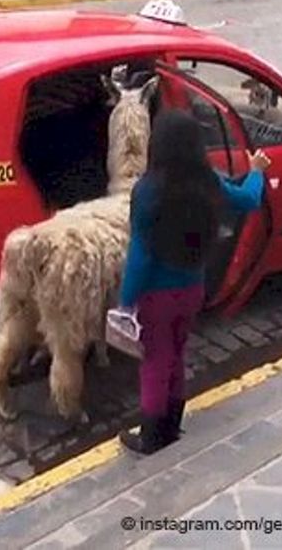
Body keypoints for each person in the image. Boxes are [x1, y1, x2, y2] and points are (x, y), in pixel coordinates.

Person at [117, 109, 270, 454]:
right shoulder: (208, 181)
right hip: (192, 287)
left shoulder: (147, 191)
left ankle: (151, 436)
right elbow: (248, 199)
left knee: (155, 361)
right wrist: (256, 172)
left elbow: (140, 255)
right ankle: (172, 425)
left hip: (156, 294)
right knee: (177, 353)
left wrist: (126, 302)